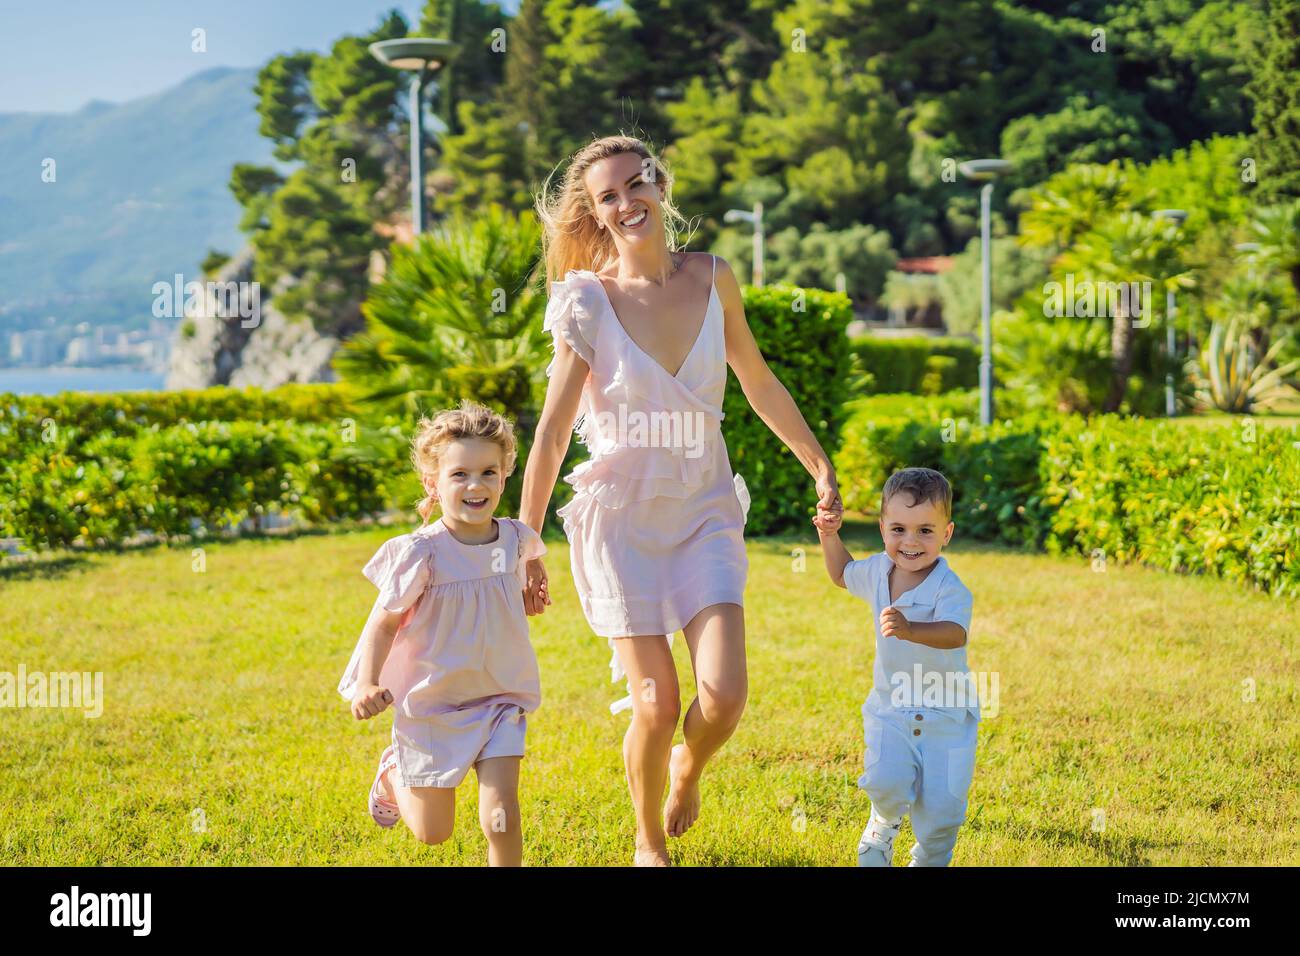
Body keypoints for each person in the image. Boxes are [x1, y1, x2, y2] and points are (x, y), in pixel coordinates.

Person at [519, 134, 843, 865]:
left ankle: (687, 767)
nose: (626, 202)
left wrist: (818, 464)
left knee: (723, 696)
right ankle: (649, 841)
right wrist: (527, 542)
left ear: (659, 185)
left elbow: (757, 379)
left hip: (703, 509)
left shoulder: (713, 277)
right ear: (595, 213)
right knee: (657, 701)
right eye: (608, 196)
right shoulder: (586, 302)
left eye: (636, 184)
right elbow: (552, 432)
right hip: (621, 524)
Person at [337, 401, 548, 866]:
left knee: (502, 816)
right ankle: (394, 772)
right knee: (433, 832)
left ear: (504, 476)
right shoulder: (423, 554)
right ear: (433, 483)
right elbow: (383, 623)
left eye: (488, 472)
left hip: (499, 698)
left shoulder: (516, 539)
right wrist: (367, 682)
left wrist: (534, 580)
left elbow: (527, 565)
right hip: (433, 705)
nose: (476, 485)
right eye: (460, 475)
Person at [813, 467, 979, 867]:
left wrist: (911, 629)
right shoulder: (877, 571)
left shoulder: (949, 586)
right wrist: (829, 535)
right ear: (882, 528)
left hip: (946, 715)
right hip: (891, 707)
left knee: (942, 809)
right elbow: (841, 574)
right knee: (885, 780)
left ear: (947, 533)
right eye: (899, 529)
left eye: (925, 530)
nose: (910, 541)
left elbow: (955, 633)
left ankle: (930, 857)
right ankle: (883, 824)